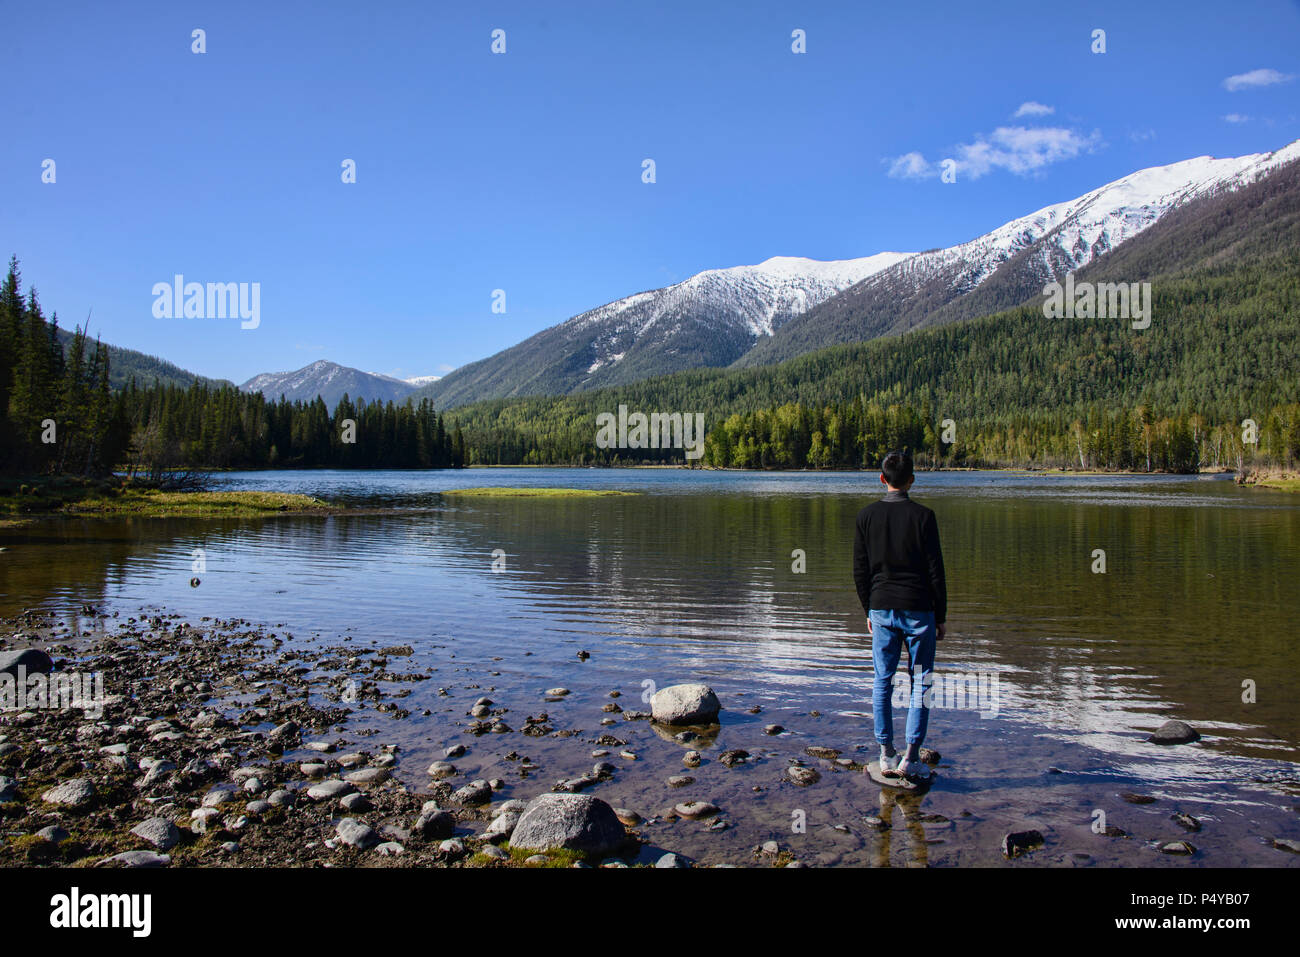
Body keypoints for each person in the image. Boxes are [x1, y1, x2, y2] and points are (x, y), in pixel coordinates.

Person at [852, 451, 947, 780]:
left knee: (882, 681)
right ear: (911, 480)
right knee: (921, 682)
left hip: (881, 608)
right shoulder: (924, 517)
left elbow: (860, 571)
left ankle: (885, 754)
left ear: (882, 479)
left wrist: (869, 608)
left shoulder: (866, 516)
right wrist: (941, 615)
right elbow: (936, 571)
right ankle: (910, 757)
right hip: (920, 610)